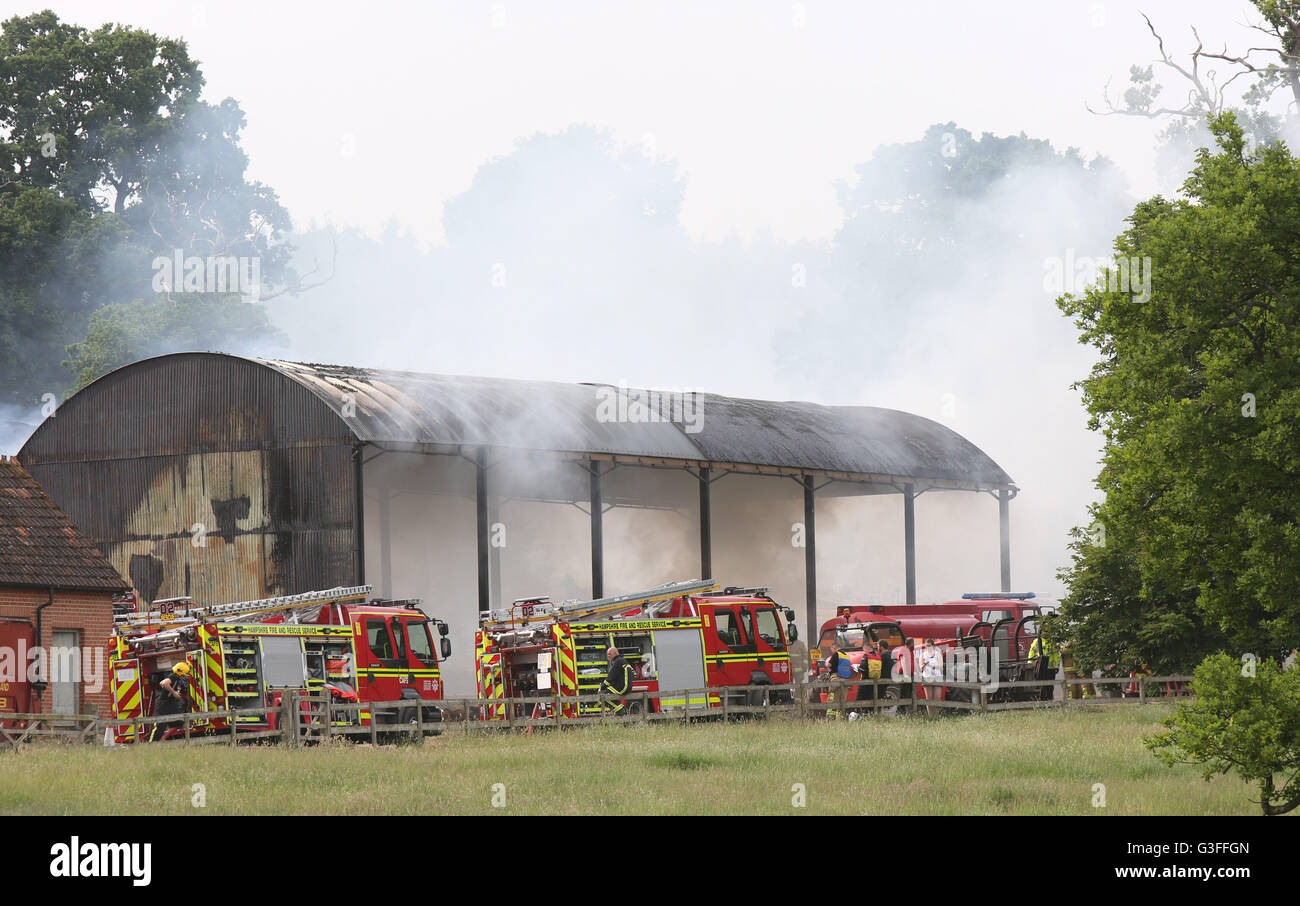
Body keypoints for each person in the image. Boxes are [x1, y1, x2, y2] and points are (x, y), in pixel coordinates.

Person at [149, 661, 191, 742]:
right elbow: (163, 683)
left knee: (179, 722)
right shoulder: (173, 676)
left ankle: (163, 738)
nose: (184, 676)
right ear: (180, 672)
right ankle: (152, 744)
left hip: (170, 704)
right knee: (160, 726)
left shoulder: (177, 679)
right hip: (163, 704)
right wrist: (174, 693)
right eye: (183, 674)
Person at [600, 646, 634, 715]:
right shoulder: (623, 661)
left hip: (622, 687)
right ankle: (620, 710)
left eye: (610, 654)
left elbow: (611, 677)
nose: (608, 656)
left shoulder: (618, 662)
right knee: (607, 693)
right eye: (607, 654)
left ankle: (621, 710)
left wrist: (602, 687)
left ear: (616, 653)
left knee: (602, 694)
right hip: (626, 687)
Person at [919, 638, 943, 713]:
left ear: (933, 646)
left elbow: (941, 665)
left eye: (929, 645)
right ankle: (930, 716)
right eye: (926, 646)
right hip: (927, 677)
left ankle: (936, 716)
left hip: (937, 677)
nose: (927, 647)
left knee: (937, 698)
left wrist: (932, 665)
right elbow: (920, 666)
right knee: (928, 698)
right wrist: (924, 665)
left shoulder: (937, 653)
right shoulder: (922, 654)